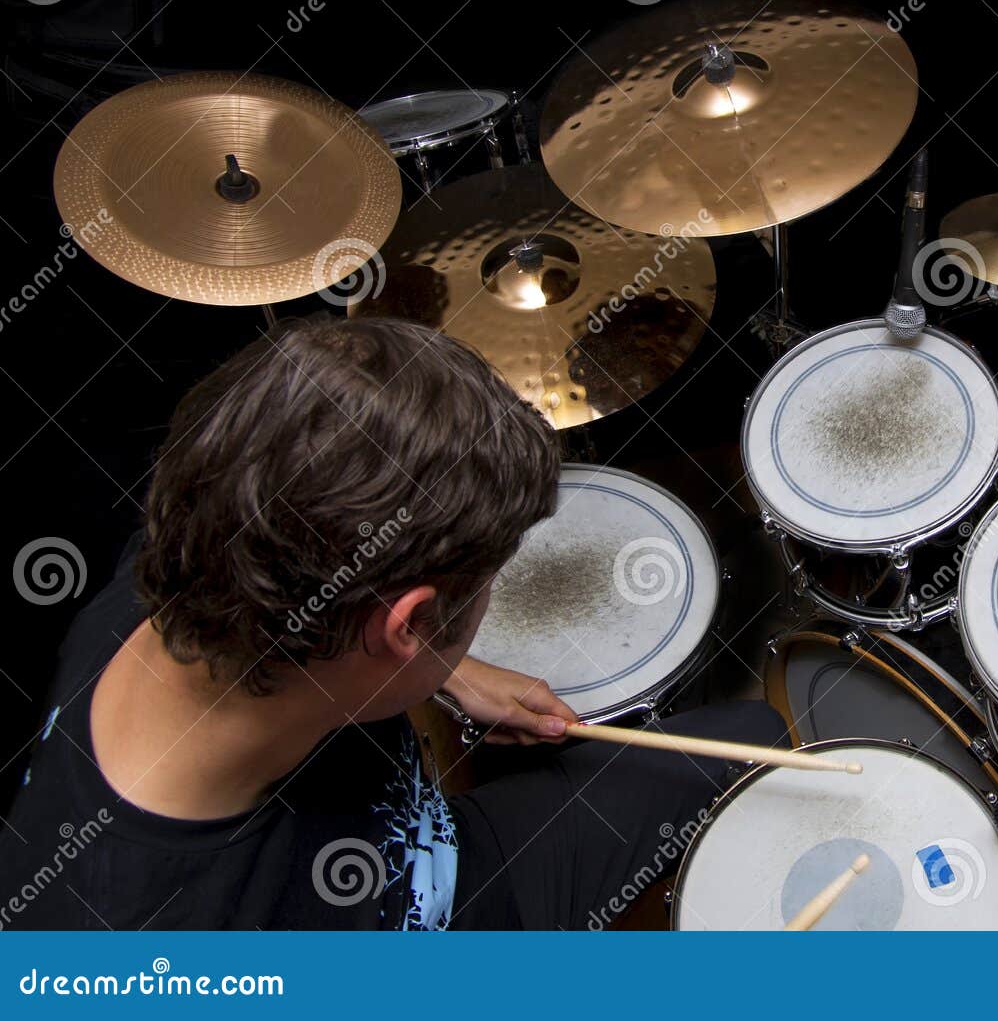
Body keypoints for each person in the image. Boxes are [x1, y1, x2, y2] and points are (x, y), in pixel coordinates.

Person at [0, 316, 785, 930]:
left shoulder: (207, 530)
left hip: (444, 849)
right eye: (484, 590)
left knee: (756, 739)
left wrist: (453, 673)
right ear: (404, 625)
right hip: (473, 918)